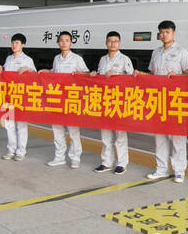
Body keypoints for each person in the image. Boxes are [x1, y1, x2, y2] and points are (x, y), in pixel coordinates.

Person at [146, 20, 188, 183]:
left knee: (177, 138)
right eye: (161, 32)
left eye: (167, 32)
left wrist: (177, 76)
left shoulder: (182, 52)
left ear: (173, 33)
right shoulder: (156, 52)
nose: (163, 34)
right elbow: (152, 75)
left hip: (176, 100)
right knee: (159, 137)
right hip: (158, 99)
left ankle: (179, 171)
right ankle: (161, 169)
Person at [92, 31, 133, 174]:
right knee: (105, 134)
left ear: (119, 43)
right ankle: (106, 162)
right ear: (106, 43)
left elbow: (132, 78)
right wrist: (94, 75)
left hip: (119, 100)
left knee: (120, 134)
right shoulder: (103, 59)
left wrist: (116, 75)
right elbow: (99, 77)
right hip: (104, 100)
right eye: (110, 41)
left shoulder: (124, 59)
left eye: (115, 41)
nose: (112, 43)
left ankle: (121, 163)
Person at [48, 31, 88, 168]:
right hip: (58, 98)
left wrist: (79, 74)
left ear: (71, 43)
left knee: (73, 131)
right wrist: (46, 72)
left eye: (67, 40)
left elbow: (86, 74)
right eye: (61, 40)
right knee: (57, 129)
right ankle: (59, 157)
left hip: (71, 99)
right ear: (58, 43)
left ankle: (75, 157)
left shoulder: (77, 58)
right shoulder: (56, 59)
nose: (64, 42)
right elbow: (54, 73)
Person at [2, 33, 36, 160]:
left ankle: (21, 152)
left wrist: (28, 70)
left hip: (21, 97)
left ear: (23, 45)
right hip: (8, 96)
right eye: (12, 42)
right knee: (9, 124)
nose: (14, 45)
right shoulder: (8, 59)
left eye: (17, 43)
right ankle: (11, 150)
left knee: (21, 125)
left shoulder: (28, 60)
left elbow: (35, 76)